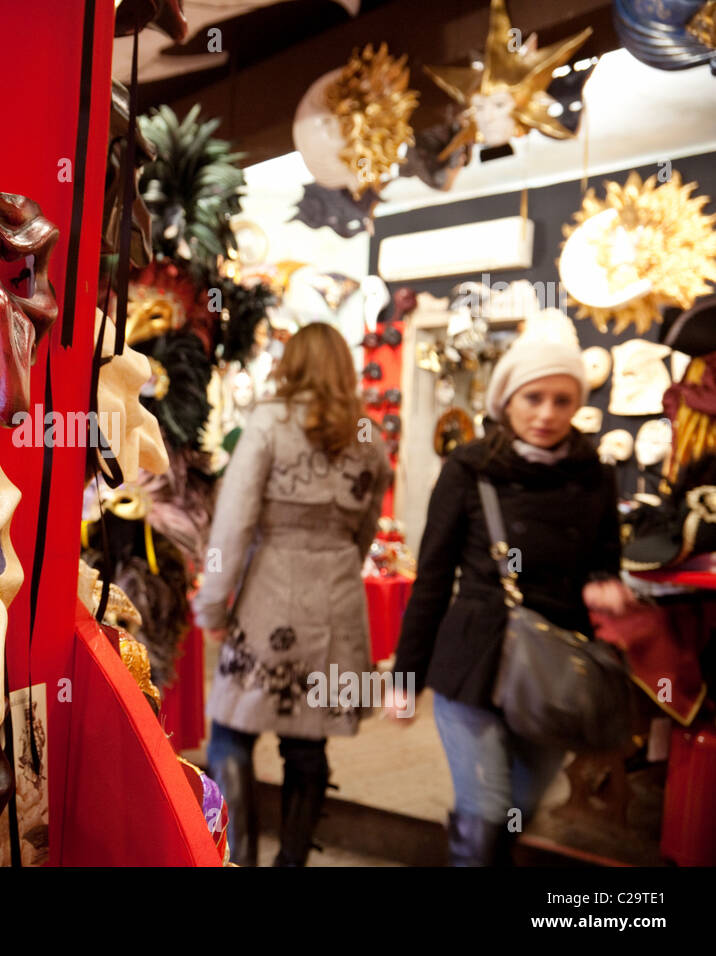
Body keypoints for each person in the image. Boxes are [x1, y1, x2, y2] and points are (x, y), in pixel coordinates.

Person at [394, 334, 633, 866]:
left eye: (563, 400)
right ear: (506, 399)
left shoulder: (595, 474)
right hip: (473, 665)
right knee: (484, 816)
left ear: (578, 404)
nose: (547, 414)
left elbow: (604, 558)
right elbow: (431, 579)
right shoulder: (469, 468)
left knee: (515, 812)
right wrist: (405, 679)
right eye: (533, 397)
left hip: (553, 672)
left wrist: (604, 583)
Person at [193, 321, 392, 866]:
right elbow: (366, 530)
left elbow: (231, 526)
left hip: (268, 598)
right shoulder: (368, 438)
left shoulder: (267, 425)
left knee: (232, 729)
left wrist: (213, 603)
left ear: (291, 364)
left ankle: (235, 859)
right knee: (309, 740)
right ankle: (293, 861)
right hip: (336, 601)